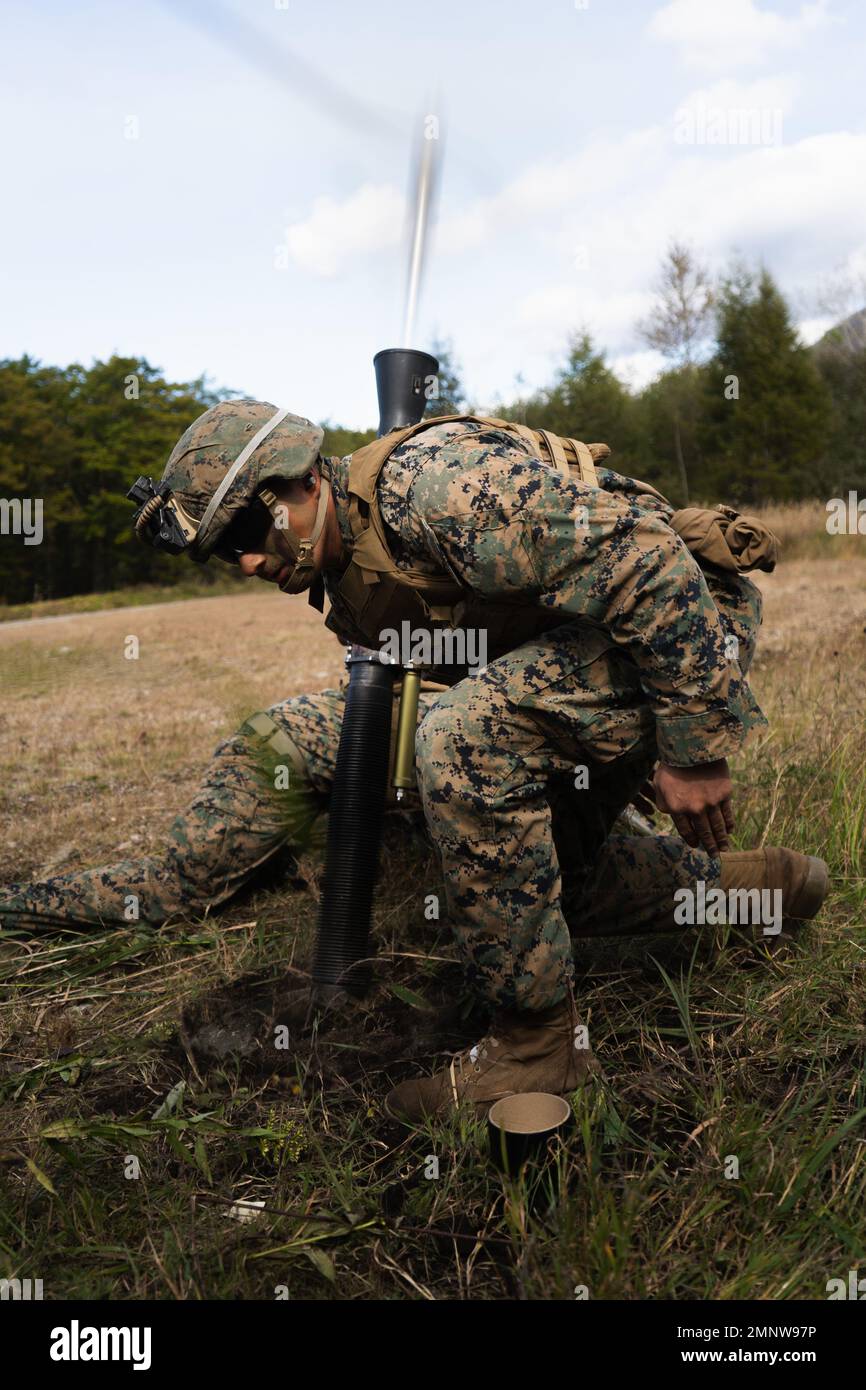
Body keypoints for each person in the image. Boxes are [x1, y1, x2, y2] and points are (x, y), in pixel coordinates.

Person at [0, 400, 828, 1123]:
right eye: (226, 554)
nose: (248, 562)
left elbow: (648, 565)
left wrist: (692, 744)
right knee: (522, 877)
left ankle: (538, 1048)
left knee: (465, 738)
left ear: (297, 486)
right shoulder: (347, 561)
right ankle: (755, 891)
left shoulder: (437, 488)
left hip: (685, 615)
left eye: (248, 534)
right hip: (597, 632)